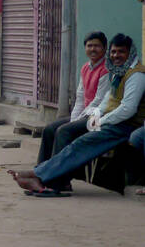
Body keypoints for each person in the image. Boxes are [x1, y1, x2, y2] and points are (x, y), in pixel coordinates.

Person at [11, 34, 145, 195]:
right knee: (64, 134)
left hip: (126, 125)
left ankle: (45, 178)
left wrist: (100, 121)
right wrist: (96, 117)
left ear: (130, 53)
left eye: (121, 52)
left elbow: (127, 109)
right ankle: (42, 176)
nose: (116, 56)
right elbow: (105, 101)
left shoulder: (136, 75)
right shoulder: (118, 72)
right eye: (114, 52)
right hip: (110, 121)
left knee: (80, 143)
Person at [36, 32, 108, 163]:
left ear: (104, 48)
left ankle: (57, 175)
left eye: (97, 46)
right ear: (85, 48)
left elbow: (99, 101)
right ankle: (41, 170)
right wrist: (74, 119)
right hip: (84, 114)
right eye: (89, 45)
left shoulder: (106, 69)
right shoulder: (85, 68)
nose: (93, 49)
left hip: (99, 117)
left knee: (63, 131)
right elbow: (80, 98)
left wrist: (75, 121)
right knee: (49, 129)